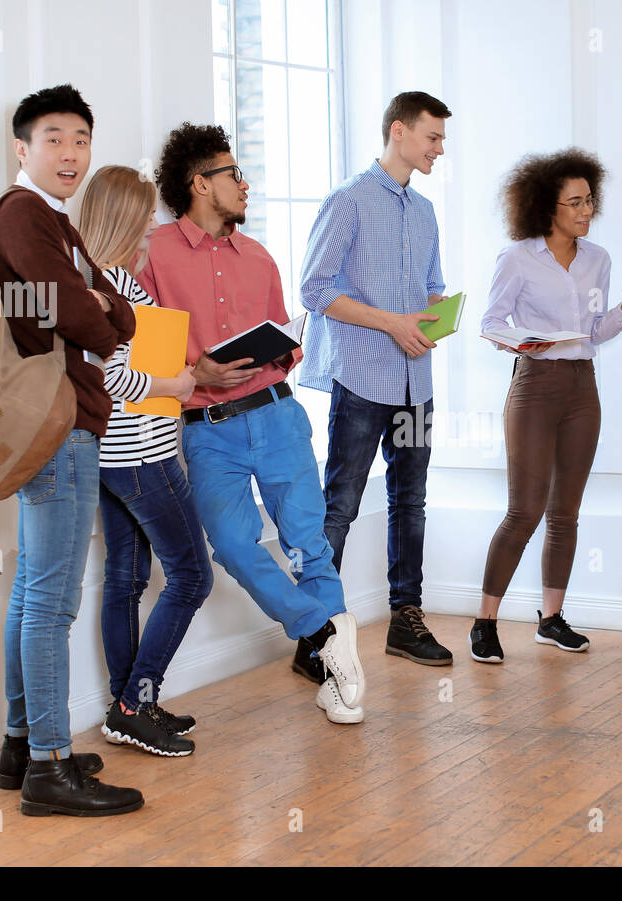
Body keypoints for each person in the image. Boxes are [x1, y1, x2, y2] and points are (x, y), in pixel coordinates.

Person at [137, 123, 365, 723]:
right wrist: (199, 367)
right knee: (234, 545)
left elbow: (288, 342)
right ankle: (322, 632)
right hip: (207, 428)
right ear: (198, 183)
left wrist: (277, 348)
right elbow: (138, 345)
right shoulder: (153, 254)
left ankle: (338, 685)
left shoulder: (259, 256)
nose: (245, 183)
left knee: (310, 547)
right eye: (233, 173)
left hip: (279, 417)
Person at [0, 84, 144, 816]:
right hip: (56, 423)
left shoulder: (56, 220)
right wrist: (106, 315)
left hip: (62, 422)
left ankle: (24, 746)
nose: (70, 153)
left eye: (81, 139)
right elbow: (89, 312)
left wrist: (106, 311)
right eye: (54, 138)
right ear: (22, 148)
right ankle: (50, 769)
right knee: (52, 600)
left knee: (33, 593)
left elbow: (109, 303)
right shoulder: (23, 214)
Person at [468, 149, 622, 662]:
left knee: (565, 514)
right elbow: (491, 323)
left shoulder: (598, 260)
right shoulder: (517, 258)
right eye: (574, 202)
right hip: (535, 384)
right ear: (545, 208)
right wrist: (526, 342)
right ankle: (484, 623)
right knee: (523, 510)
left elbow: (596, 331)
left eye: (589, 200)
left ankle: (551, 619)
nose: (585, 210)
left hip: (582, 386)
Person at [298, 91, 454, 667]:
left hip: (417, 385)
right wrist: (391, 323)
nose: (440, 148)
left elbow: (434, 284)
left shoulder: (425, 211)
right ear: (399, 132)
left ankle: (404, 621)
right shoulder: (348, 202)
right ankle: (314, 638)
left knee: (409, 501)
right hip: (362, 383)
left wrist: (437, 314)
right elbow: (314, 290)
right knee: (339, 506)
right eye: (432, 137)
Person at [77, 165, 214, 756]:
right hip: (143, 453)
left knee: (126, 581)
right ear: (124, 219)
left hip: (112, 457)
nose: (153, 227)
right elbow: (112, 379)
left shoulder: (92, 280)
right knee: (192, 576)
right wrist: (176, 385)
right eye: (146, 217)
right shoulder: (109, 288)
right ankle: (135, 703)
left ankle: (126, 705)